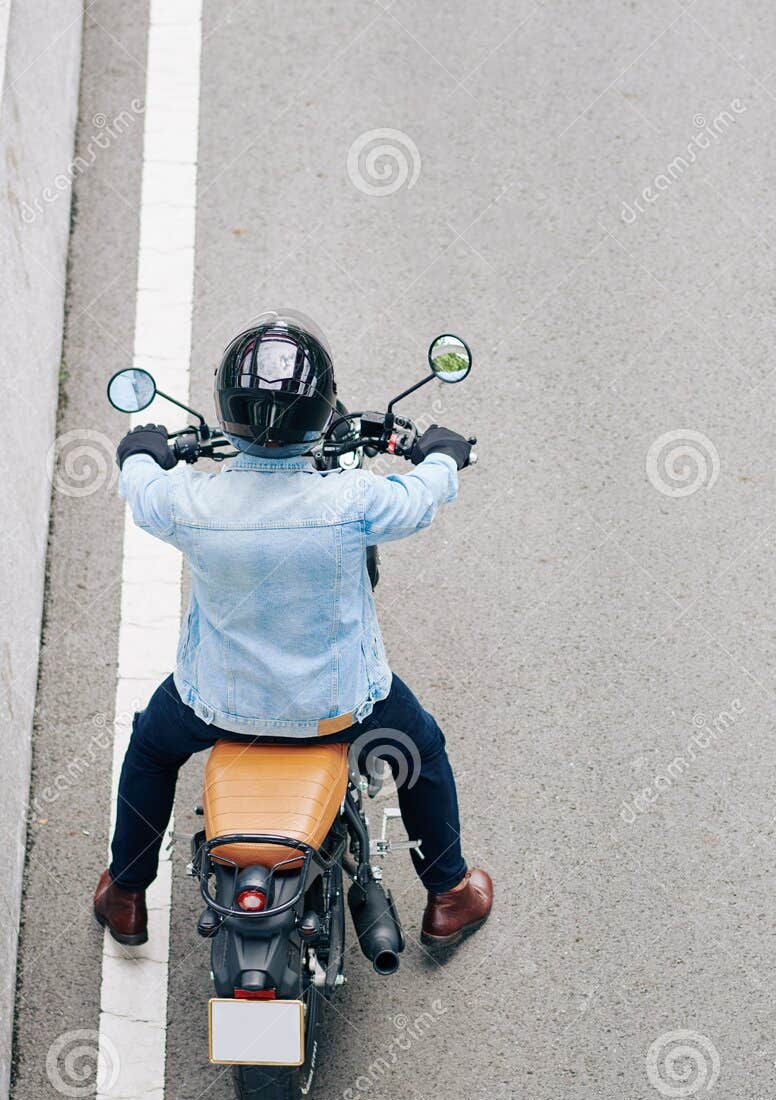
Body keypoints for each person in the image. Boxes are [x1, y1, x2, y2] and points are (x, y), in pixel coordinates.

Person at [93, 315, 492, 951]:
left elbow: (140, 488)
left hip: (218, 708)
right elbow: (420, 496)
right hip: (340, 708)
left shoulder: (192, 504)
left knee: (150, 748)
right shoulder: (354, 500)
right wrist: (444, 453)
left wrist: (141, 447)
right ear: (319, 412)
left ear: (228, 410)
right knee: (420, 753)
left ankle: (124, 895)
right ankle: (448, 895)